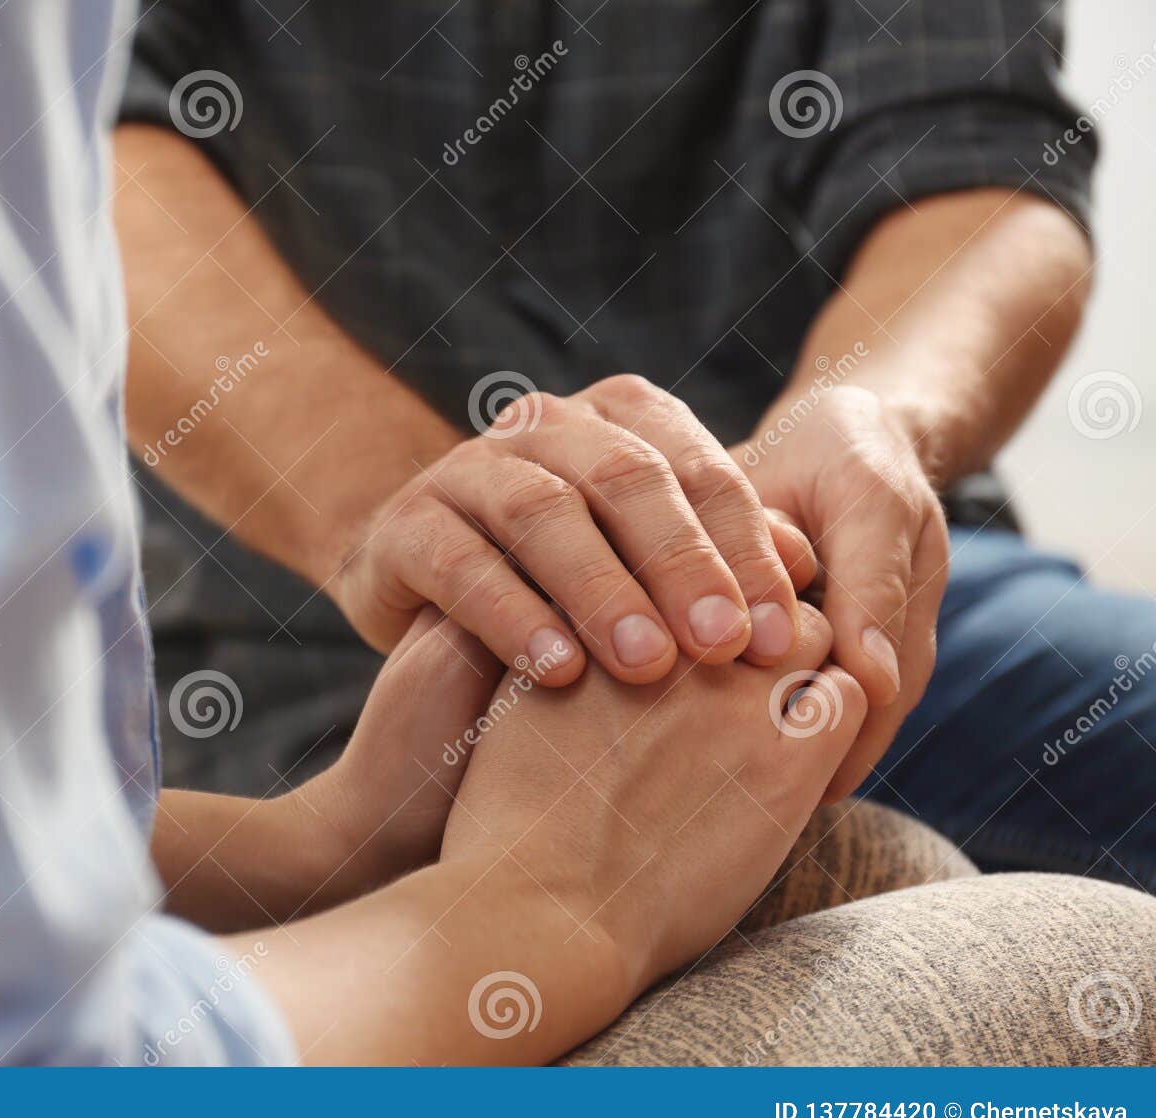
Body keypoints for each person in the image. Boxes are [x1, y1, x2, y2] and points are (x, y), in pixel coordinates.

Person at [0, 0, 1152, 1070]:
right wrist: (521, 915)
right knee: (1039, 954)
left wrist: (316, 848)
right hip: (326, 638)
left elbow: (980, 152)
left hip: (807, 589)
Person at [113, 0, 1156, 895]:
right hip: (334, 654)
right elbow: (77, 172)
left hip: (848, 599)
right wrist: (419, 527)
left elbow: (978, 150)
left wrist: (867, 422)